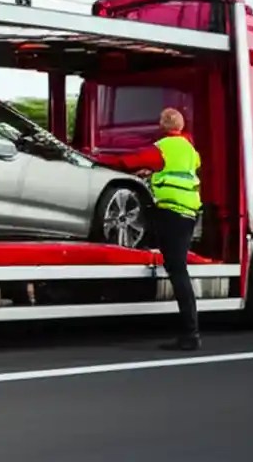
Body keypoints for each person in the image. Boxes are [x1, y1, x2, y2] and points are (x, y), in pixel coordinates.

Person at [93, 107, 203, 351]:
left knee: (178, 271)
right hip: (188, 213)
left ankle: (191, 334)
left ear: (163, 125)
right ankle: (190, 332)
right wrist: (153, 172)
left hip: (172, 213)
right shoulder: (190, 149)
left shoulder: (163, 147)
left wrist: (95, 160)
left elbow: (127, 162)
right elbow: (179, 169)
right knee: (177, 267)